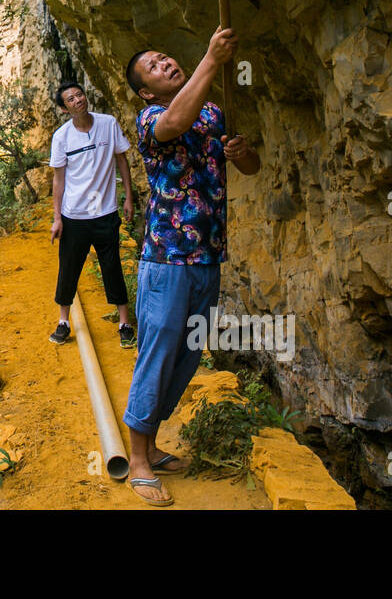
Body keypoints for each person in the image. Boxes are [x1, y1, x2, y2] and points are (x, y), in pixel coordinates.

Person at [120, 28, 261, 506]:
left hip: (208, 255)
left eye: (165, 57)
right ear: (146, 91)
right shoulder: (151, 119)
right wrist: (212, 59)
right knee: (158, 352)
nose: (166, 64)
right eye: (155, 67)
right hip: (167, 256)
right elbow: (176, 124)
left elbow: (250, 167)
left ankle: (152, 444)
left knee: (186, 356)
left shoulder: (215, 112)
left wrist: (241, 154)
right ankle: (137, 460)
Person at [48, 82, 137, 348]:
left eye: (79, 95)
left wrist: (129, 197)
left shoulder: (108, 123)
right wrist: (57, 218)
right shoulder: (62, 137)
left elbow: (122, 160)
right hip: (74, 215)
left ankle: (124, 323)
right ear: (65, 109)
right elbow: (58, 179)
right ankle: (63, 321)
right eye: (70, 99)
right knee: (69, 268)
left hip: (105, 213)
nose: (77, 100)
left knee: (112, 267)